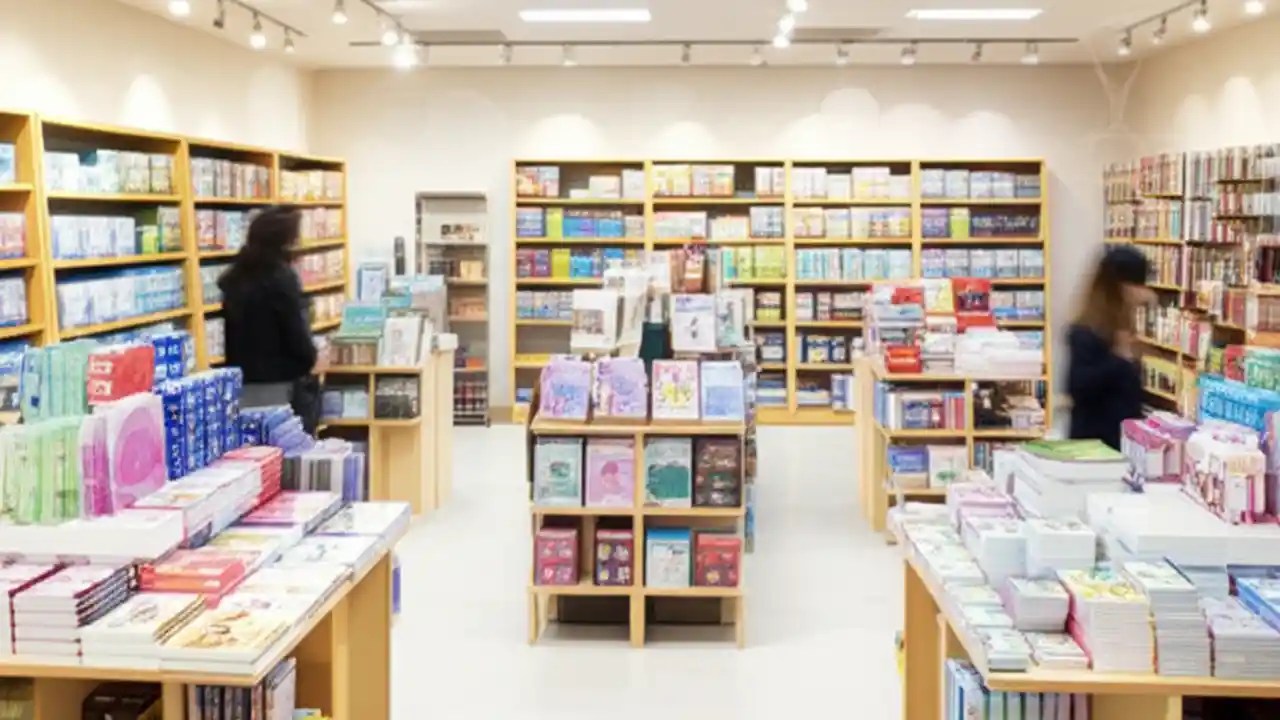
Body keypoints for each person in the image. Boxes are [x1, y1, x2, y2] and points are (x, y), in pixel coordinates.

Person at [219, 206, 324, 431]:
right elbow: (299, 344)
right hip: (281, 387)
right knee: (290, 456)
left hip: (243, 388)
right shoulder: (281, 279)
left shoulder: (234, 279)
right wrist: (312, 359)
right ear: (284, 242)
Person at [1065, 245, 1156, 449]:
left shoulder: (1122, 326)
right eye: (1137, 285)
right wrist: (1120, 359)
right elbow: (1077, 385)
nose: (1142, 293)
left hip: (1123, 442)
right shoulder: (1086, 330)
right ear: (1120, 286)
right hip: (1095, 446)